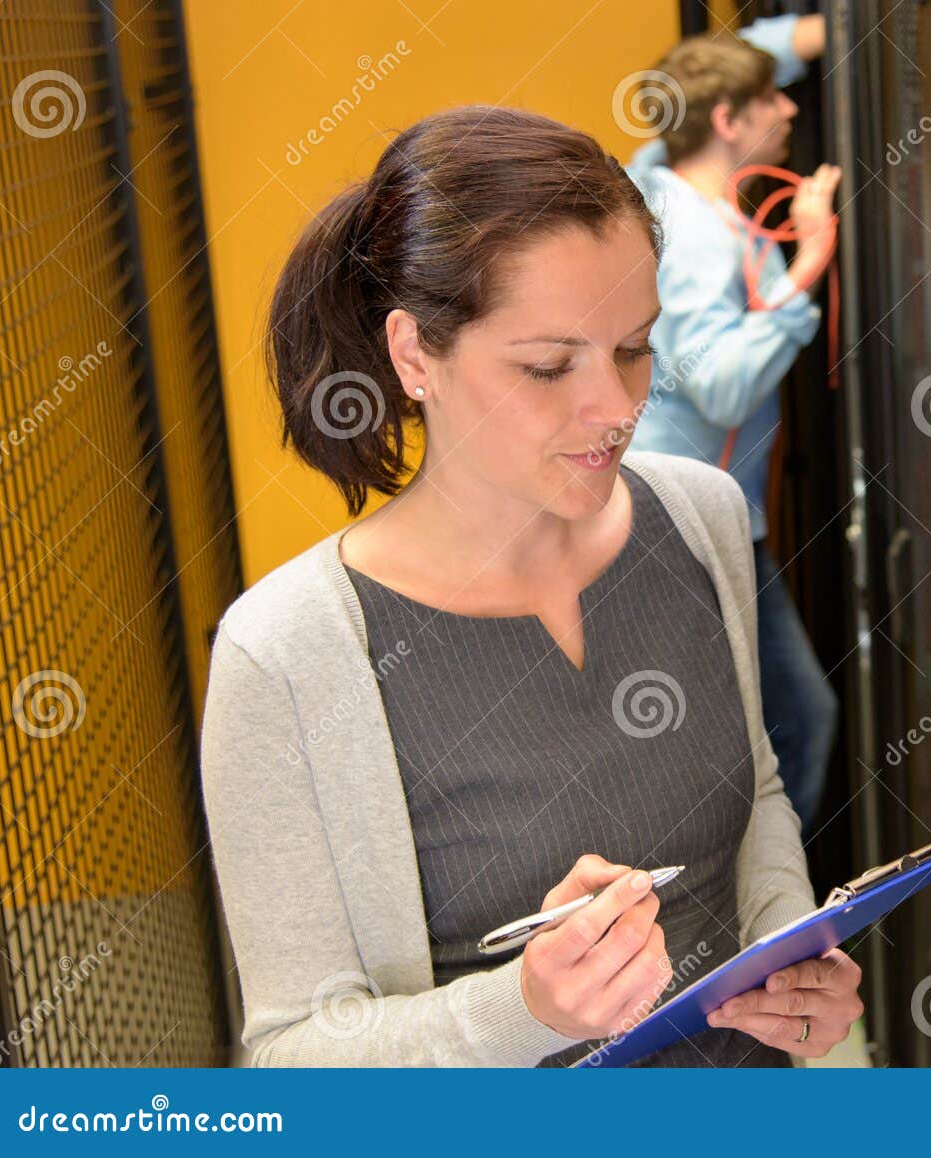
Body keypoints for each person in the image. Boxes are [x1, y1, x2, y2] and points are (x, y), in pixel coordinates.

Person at [198, 105, 863, 1067]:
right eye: (549, 367)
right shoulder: (287, 652)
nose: (619, 408)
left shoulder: (701, 517)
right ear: (413, 354)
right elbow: (294, 1059)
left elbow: (753, 797)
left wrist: (784, 953)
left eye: (635, 347)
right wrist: (525, 1009)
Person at [624, 13, 840, 836]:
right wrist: (811, 265)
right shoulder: (698, 236)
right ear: (726, 121)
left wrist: (822, 31)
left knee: (749, 729)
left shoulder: (655, 182)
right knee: (796, 723)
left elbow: (699, 88)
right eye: (770, 99)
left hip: (691, 515)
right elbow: (716, 386)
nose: (789, 110)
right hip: (687, 523)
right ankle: (765, 929)